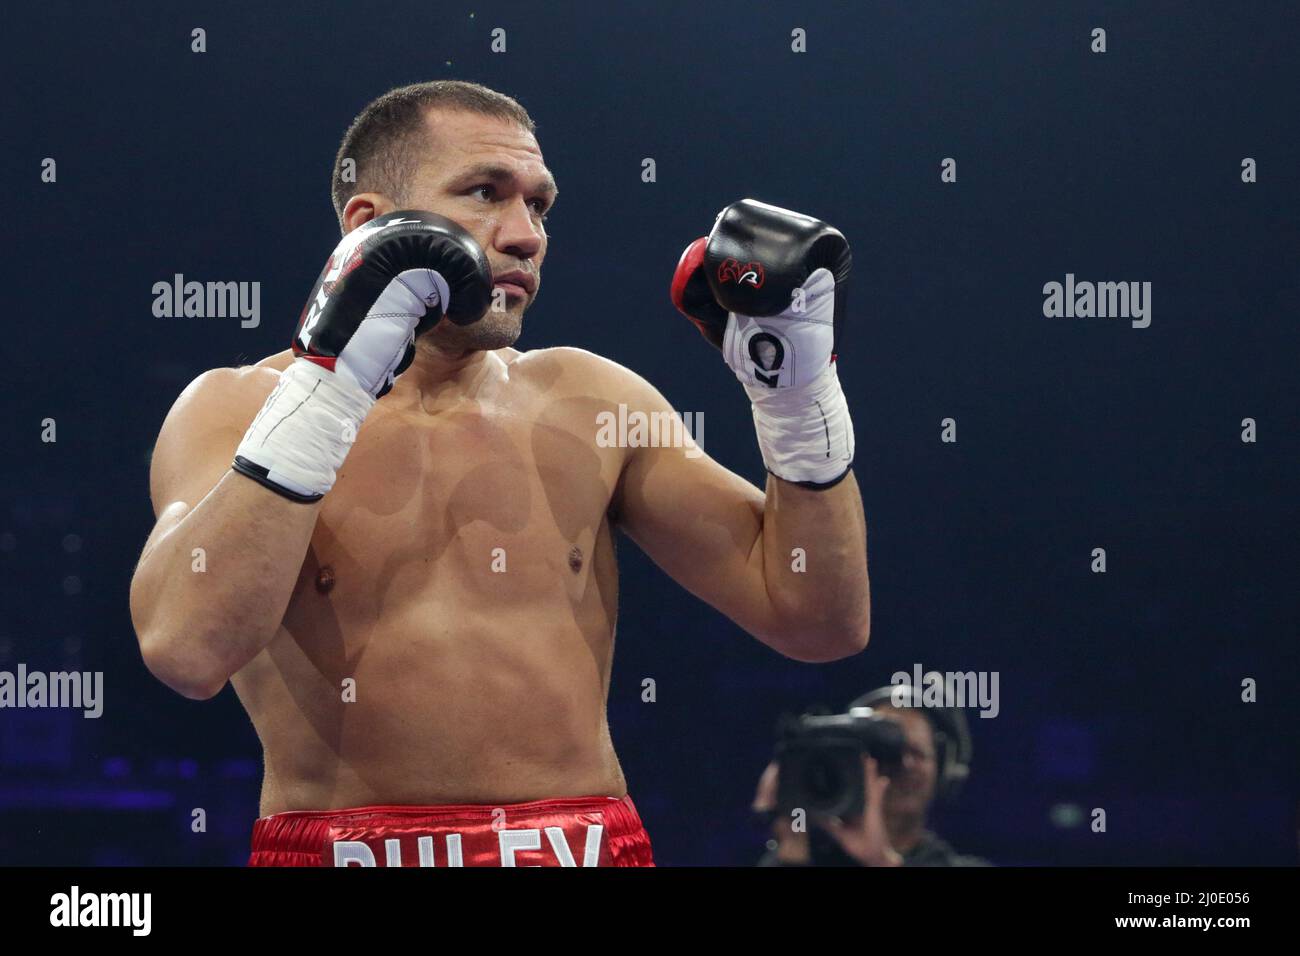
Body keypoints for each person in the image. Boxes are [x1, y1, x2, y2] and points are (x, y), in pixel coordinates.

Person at [127, 80, 871, 866]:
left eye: (540, 205)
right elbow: (186, 650)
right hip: (347, 848)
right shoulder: (236, 406)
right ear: (368, 225)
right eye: (485, 193)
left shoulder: (589, 399)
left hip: (582, 844)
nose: (525, 235)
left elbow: (818, 620)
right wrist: (329, 392)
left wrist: (800, 404)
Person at [754, 686, 989, 866]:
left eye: (916, 753)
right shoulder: (802, 856)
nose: (903, 765)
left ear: (944, 769)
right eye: (886, 752)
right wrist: (790, 851)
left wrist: (881, 862)